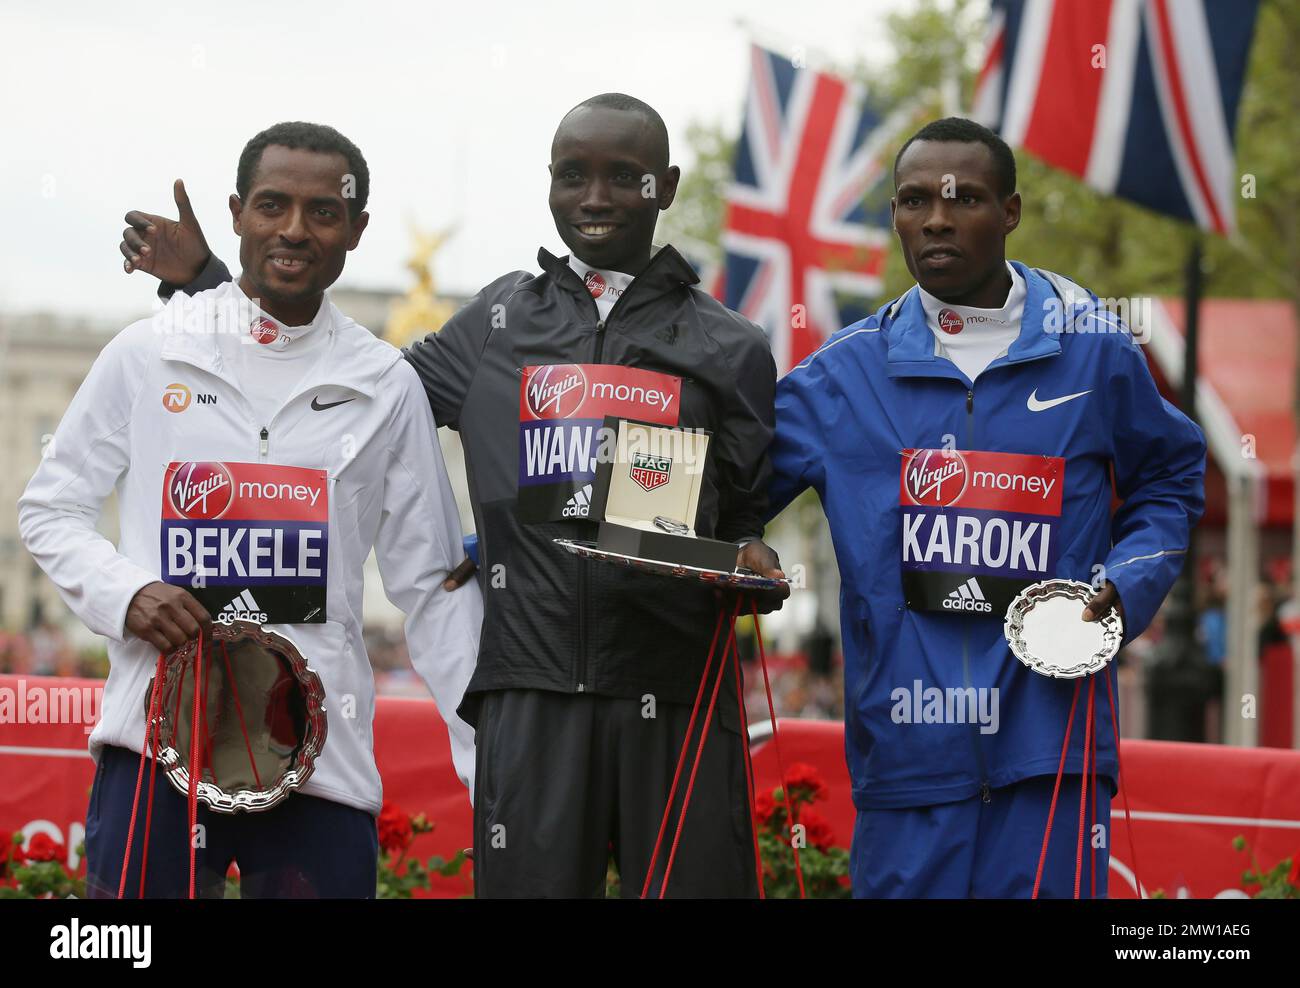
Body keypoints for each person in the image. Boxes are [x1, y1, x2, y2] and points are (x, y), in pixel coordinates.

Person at [117, 94, 786, 898]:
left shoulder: (732, 346)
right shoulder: (496, 323)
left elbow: (744, 514)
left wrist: (749, 554)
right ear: (548, 184)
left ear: (666, 186)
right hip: (529, 697)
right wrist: (211, 283)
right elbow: (347, 392)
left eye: (624, 178)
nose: (597, 198)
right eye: (573, 176)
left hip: (679, 693)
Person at [22, 121, 482, 898]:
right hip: (153, 745)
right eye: (272, 205)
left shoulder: (386, 385)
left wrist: (489, 757)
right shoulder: (147, 352)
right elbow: (50, 508)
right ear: (237, 212)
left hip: (322, 763)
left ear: (358, 230)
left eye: (323, 212)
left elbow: (432, 584)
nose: (294, 230)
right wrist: (127, 593)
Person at [766, 118, 1206, 898]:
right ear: (896, 216)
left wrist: (1127, 584)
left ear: (1010, 211)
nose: (936, 218)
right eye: (912, 201)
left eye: (964, 198)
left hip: (1052, 755)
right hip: (908, 757)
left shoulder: (1097, 349)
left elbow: (1169, 478)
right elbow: (723, 493)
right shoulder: (839, 376)